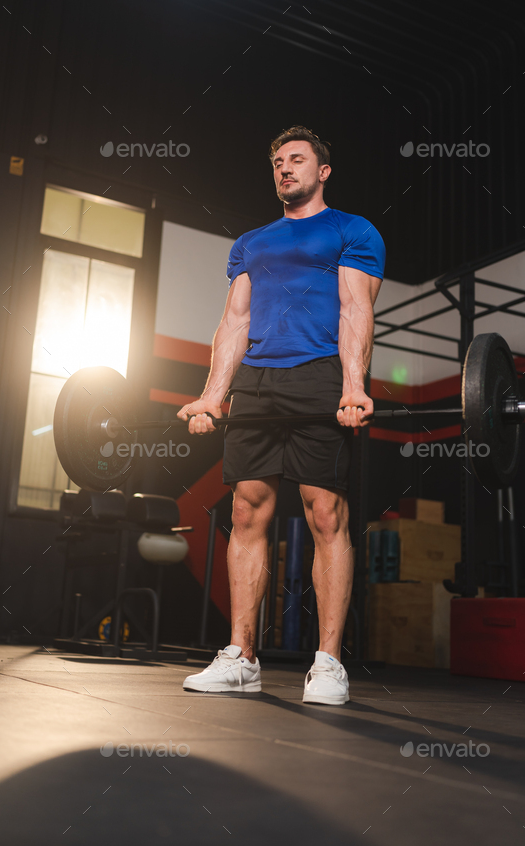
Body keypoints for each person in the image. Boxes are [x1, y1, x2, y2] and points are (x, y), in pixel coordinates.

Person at [178, 125, 385, 704]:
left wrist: (352, 386)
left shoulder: (352, 230)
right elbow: (235, 323)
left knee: (325, 514)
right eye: (276, 162)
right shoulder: (250, 242)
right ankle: (241, 656)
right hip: (259, 384)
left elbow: (355, 307)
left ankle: (327, 663)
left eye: (296, 159)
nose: (284, 168)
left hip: (319, 373)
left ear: (323, 171)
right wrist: (214, 394)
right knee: (246, 511)